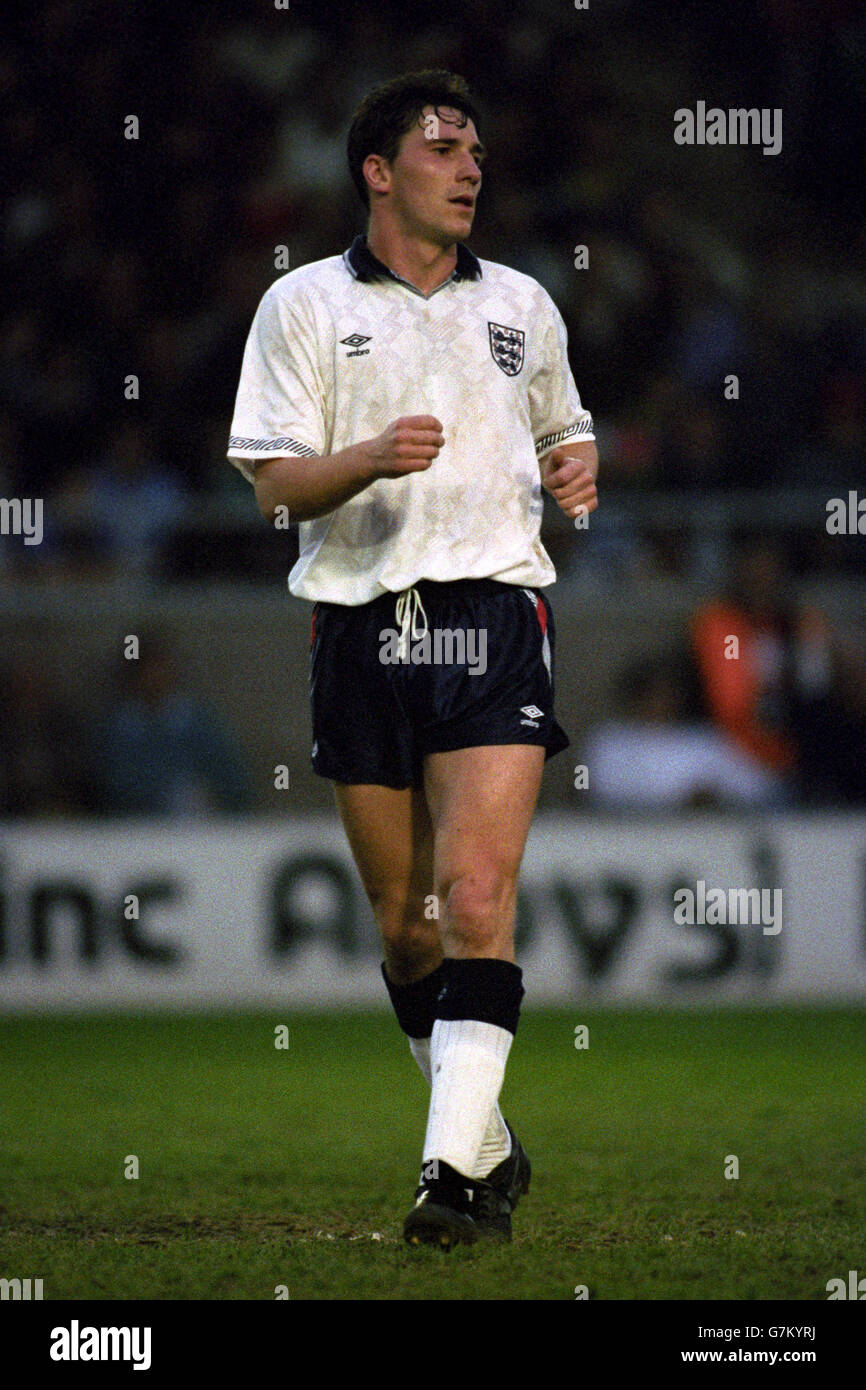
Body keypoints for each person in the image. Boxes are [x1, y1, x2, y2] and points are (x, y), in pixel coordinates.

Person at [227, 70, 598, 1247]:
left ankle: (448, 1180)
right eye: (443, 146)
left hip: (491, 617)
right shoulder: (301, 304)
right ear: (378, 171)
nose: (469, 165)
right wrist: (370, 457)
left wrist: (579, 463)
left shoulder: (526, 305)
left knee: (477, 896)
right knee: (406, 923)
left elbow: (562, 425)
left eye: (476, 149)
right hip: (357, 628)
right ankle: (484, 1133)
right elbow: (275, 485)